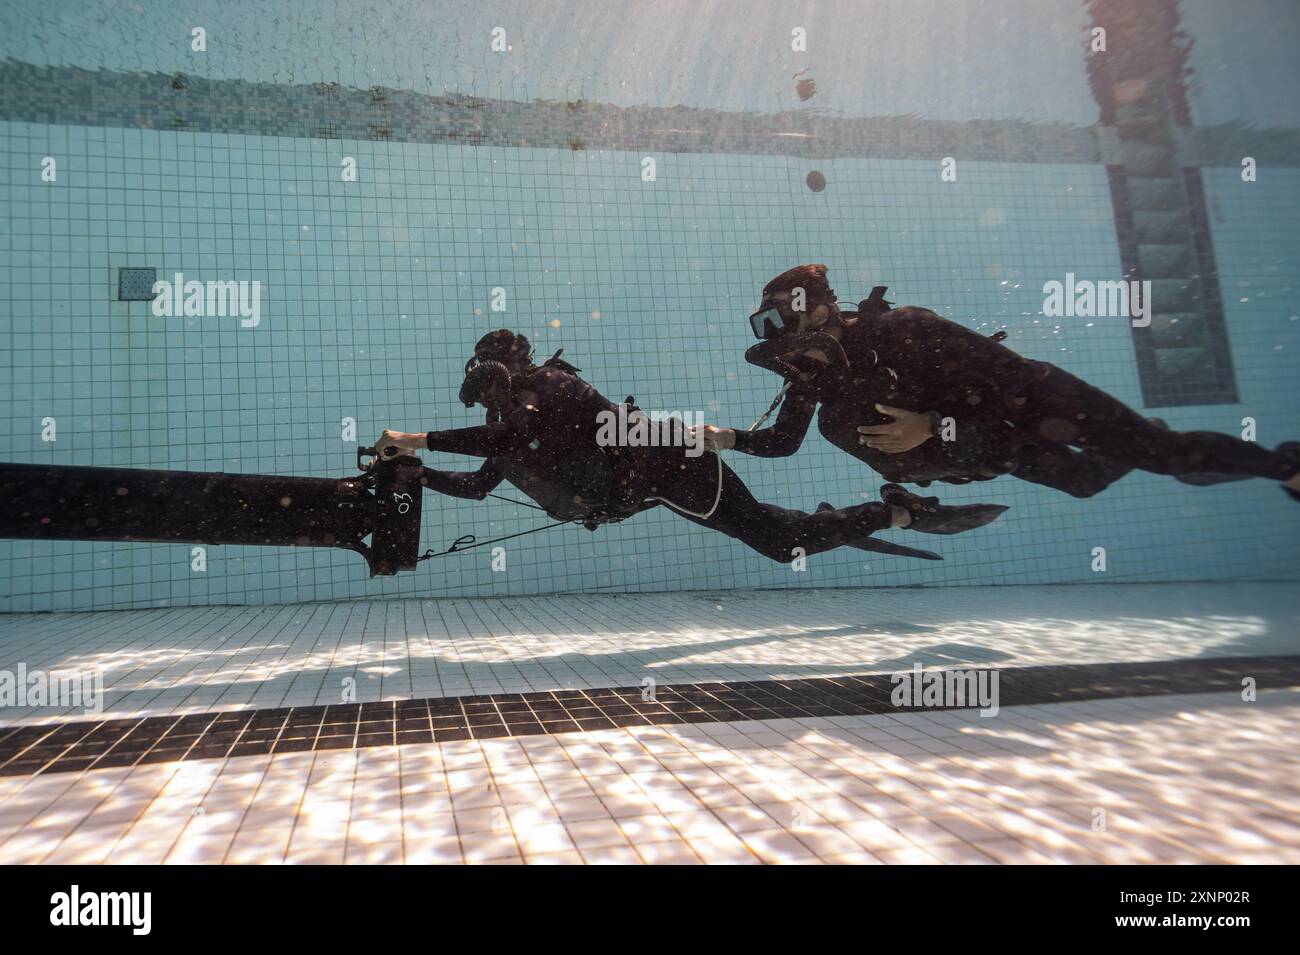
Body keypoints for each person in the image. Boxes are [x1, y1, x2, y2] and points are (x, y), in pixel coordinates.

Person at [374, 330, 1009, 565]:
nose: (495, 394)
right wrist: (416, 471)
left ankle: (899, 510)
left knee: (779, 544)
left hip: (675, 462)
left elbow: (508, 433)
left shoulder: (552, 386)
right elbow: (481, 482)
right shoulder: (513, 433)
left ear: (518, 370)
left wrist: (415, 440)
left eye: (498, 379)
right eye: (483, 387)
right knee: (773, 535)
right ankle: (868, 515)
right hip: (650, 484)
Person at [698, 264, 1300, 500]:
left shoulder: (902, 329)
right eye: (765, 323)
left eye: (782, 314)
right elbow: (782, 440)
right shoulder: (814, 371)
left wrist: (933, 425)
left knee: (1163, 456)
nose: (776, 330)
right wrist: (721, 438)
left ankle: (1285, 466)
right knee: (1086, 479)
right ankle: (1139, 439)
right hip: (992, 445)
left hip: (1037, 400)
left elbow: (1003, 382)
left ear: (821, 308)